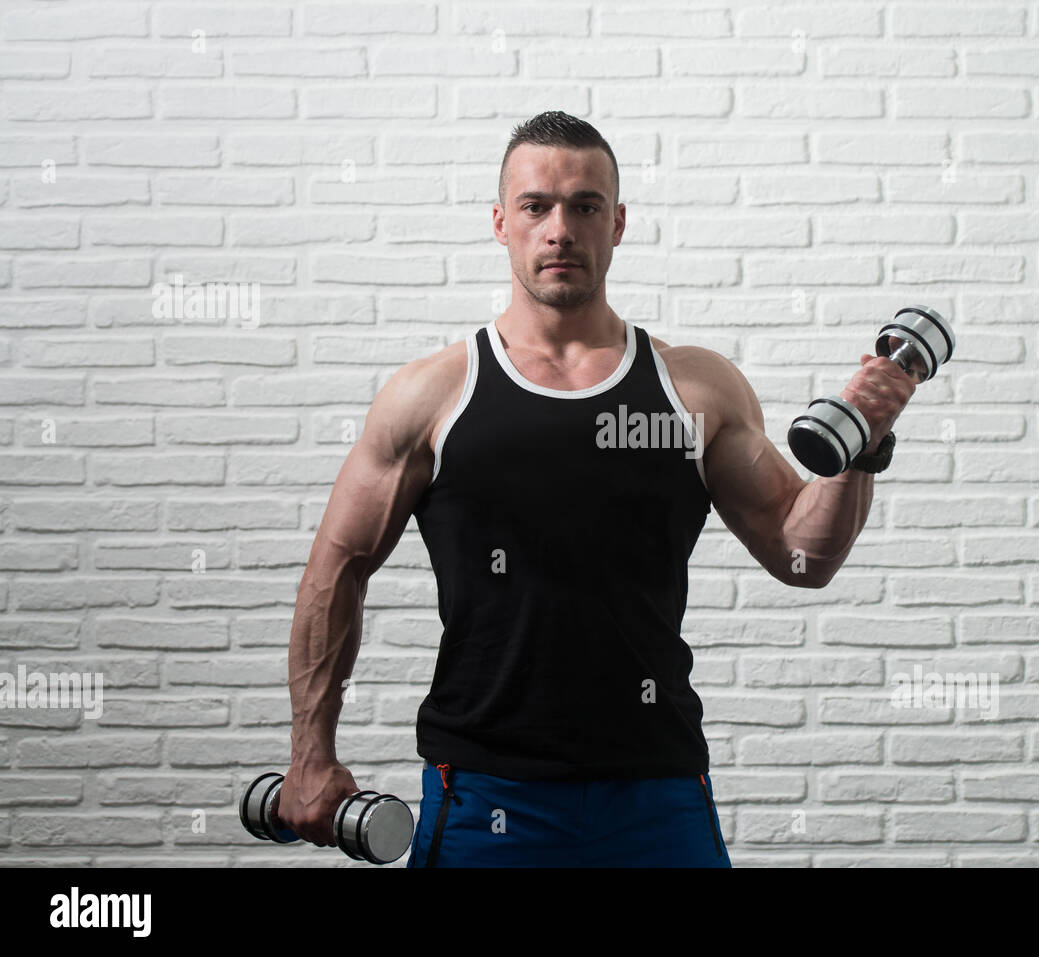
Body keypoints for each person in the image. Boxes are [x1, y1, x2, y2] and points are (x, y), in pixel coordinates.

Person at [276, 111, 916, 867]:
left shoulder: (696, 388)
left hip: (658, 789)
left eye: (584, 206)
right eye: (536, 206)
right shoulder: (432, 395)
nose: (559, 229)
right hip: (486, 792)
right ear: (500, 222)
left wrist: (858, 451)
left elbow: (802, 553)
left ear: (617, 224)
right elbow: (336, 566)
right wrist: (311, 753)